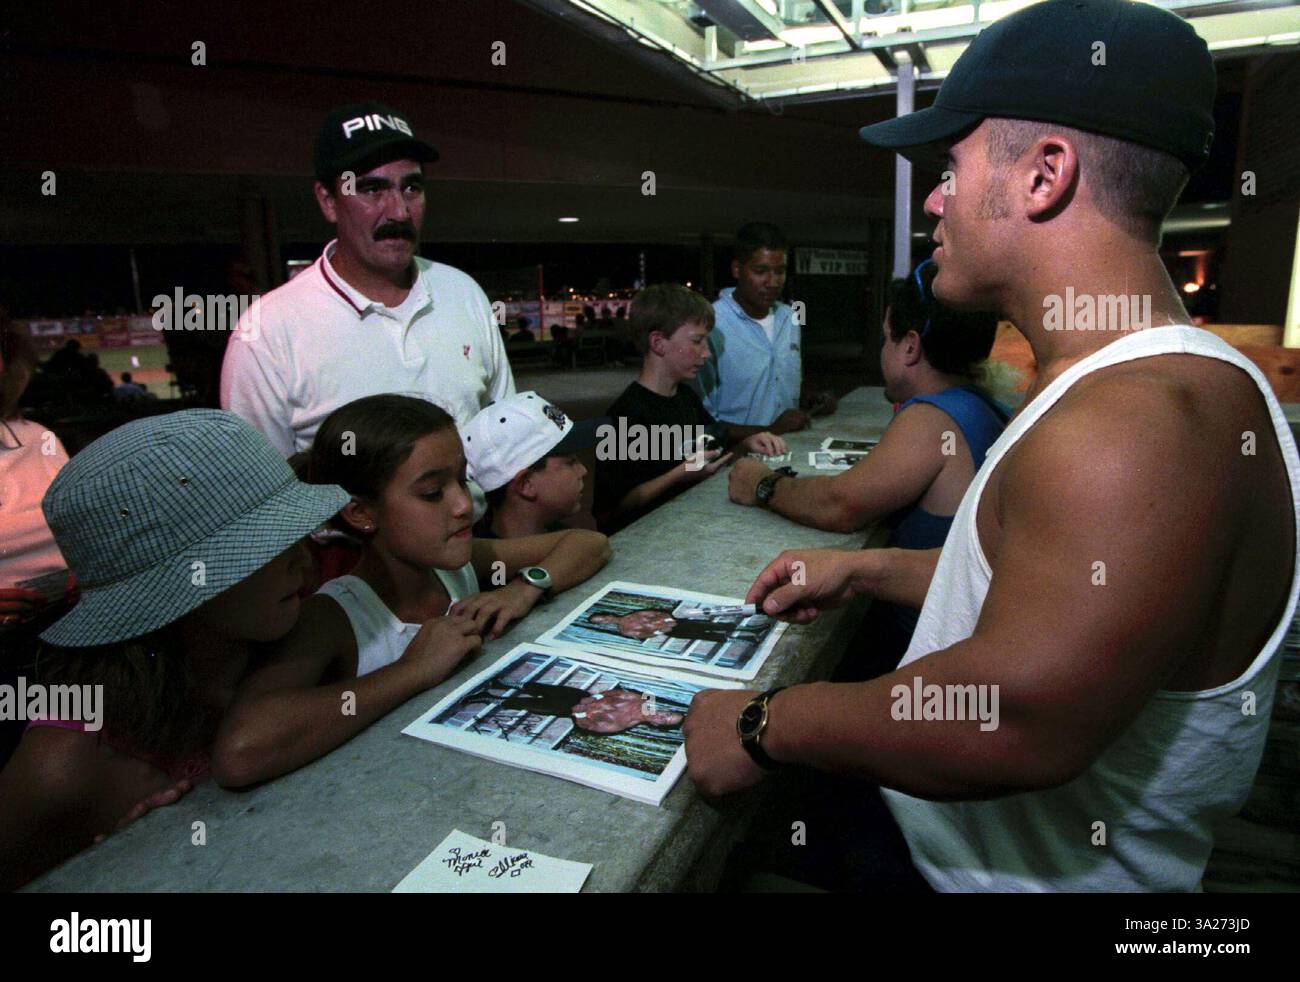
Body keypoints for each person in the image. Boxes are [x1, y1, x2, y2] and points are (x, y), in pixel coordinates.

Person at [683, 0, 1300, 894]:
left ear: (1044, 175)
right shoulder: (1156, 383)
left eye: (951, 166)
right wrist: (865, 572)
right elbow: (1062, 594)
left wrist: (767, 724)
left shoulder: (1138, 421)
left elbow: (1015, 718)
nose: (935, 199)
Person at [0, 410, 349, 890]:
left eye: (292, 530)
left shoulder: (284, 632)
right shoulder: (65, 763)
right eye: (259, 544)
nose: (299, 556)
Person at [209, 394, 610, 788]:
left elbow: (589, 544)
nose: (462, 505)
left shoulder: (456, 565)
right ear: (362, 512)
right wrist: (413, 669)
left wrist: (523, 589)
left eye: (461, 479)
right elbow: (240, 749)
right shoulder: (334, 615)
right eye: (433, 493)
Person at [729, 262, 1007, 674]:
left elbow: (839, 504)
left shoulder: (933, 416)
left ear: (910, 347)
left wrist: (762, 483)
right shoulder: (979, 402)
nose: (882, 351)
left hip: (919, 654)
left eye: (885, 339)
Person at [220, 101, 514, 456]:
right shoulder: (267, 332)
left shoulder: (464, 293)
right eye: (373, 189)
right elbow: (262, 494)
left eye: (412, 188)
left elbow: (507, 440)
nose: (399, 212)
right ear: (328, 201)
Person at [594, 284, 785, 533]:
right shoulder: (625, 415)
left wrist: (748, 442)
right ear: (658, 343)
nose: (706, 353)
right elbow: (612, 511)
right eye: (697, 341)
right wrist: (681, 473)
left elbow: (713, 446)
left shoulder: (687, 398)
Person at [693, 223, 835, 437]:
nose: (773, 282)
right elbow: (702, 421)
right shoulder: (712, 324)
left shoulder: (790, 318)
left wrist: (808, 399)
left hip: (790, 451)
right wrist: (770, 430)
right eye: (760, 271)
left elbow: (771, 383)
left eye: (780, 271)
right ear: (737, 270)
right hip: (734, 459)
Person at [462, 391, 600, 539]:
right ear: (526, 484)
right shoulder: (494, 562)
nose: (583, 471)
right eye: (571, 462)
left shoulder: (567, 537)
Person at [462, 681, 684, 734]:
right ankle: (504, 684)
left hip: (569, 710)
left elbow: (587, 725)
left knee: (529, 704)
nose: (663, 715)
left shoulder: (621, 725)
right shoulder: (642, 700)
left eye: (665, 720)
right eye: (669, 713)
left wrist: (578, 711)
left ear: (656, 724)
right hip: (581, 697)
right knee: (539, 687)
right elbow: (614, 693)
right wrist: (593, 697)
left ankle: (487, 698)